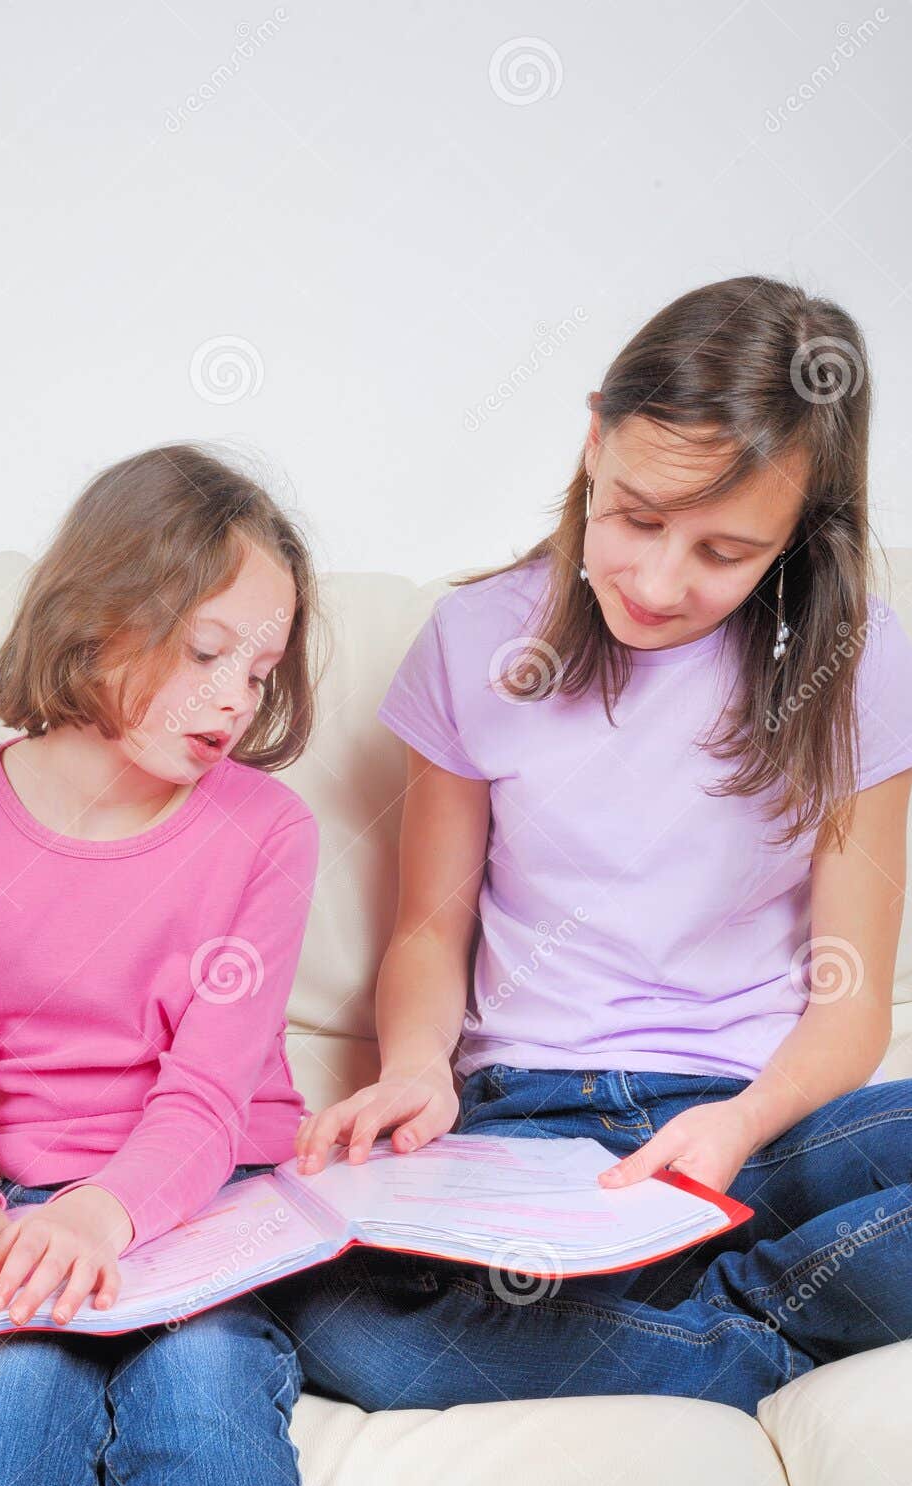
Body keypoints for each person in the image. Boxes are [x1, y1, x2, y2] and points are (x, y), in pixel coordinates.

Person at [284, 275, 912, 1418]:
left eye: (726, 550)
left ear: (802, 529)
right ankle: (760, 1324)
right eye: (637, 517)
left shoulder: (858, 659)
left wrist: (737, 1125)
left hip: (754, 1125)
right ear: (593, 438)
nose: (660, 583)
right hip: (532, 1126)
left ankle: (686, 1305)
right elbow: (428, 929)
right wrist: (415, 1068)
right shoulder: (477, 639)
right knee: (343, 1325)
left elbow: (852, 999)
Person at [0, 444, 326, 1486]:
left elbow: (208, 1099)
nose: (237, 697)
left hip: (210, 1195)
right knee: (7, 1400)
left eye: (260, 670)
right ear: (98, 615)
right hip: (19, 1210)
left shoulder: (267, 831)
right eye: (208, 652)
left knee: (209, 1392)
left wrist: (104, 1213)